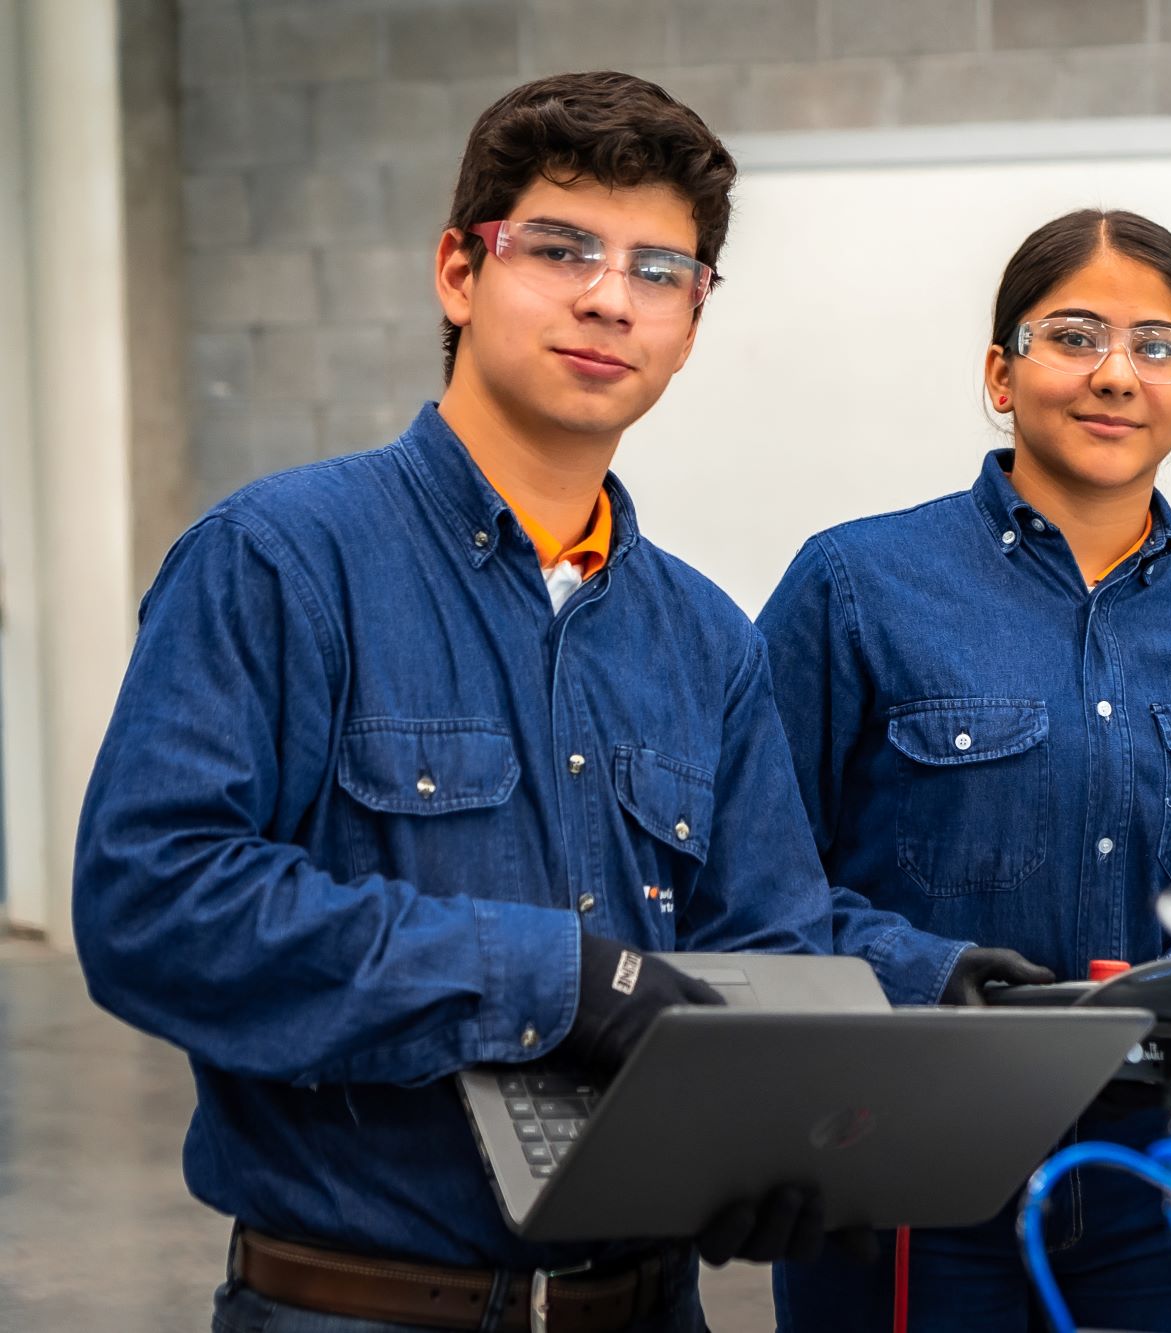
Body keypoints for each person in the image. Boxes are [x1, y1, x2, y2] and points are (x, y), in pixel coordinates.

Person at [74, 72, 848, 1333]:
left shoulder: (705, 638)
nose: (610, 295)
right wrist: (558, 979)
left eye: (663, 269)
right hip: (362, 1308)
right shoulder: (281, 560)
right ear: (457, 271)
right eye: (560, 249)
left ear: (693, 320)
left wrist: (773, 1133)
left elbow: (769, 949)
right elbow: (153, 901)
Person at [756, 208, 1171, 1331]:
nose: (1115, 375)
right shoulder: (853, 585)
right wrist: (930, 975)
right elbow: (754, 890)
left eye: (1156, 347)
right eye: (1074, 335)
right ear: (1001, 372)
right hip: (910, 1159)